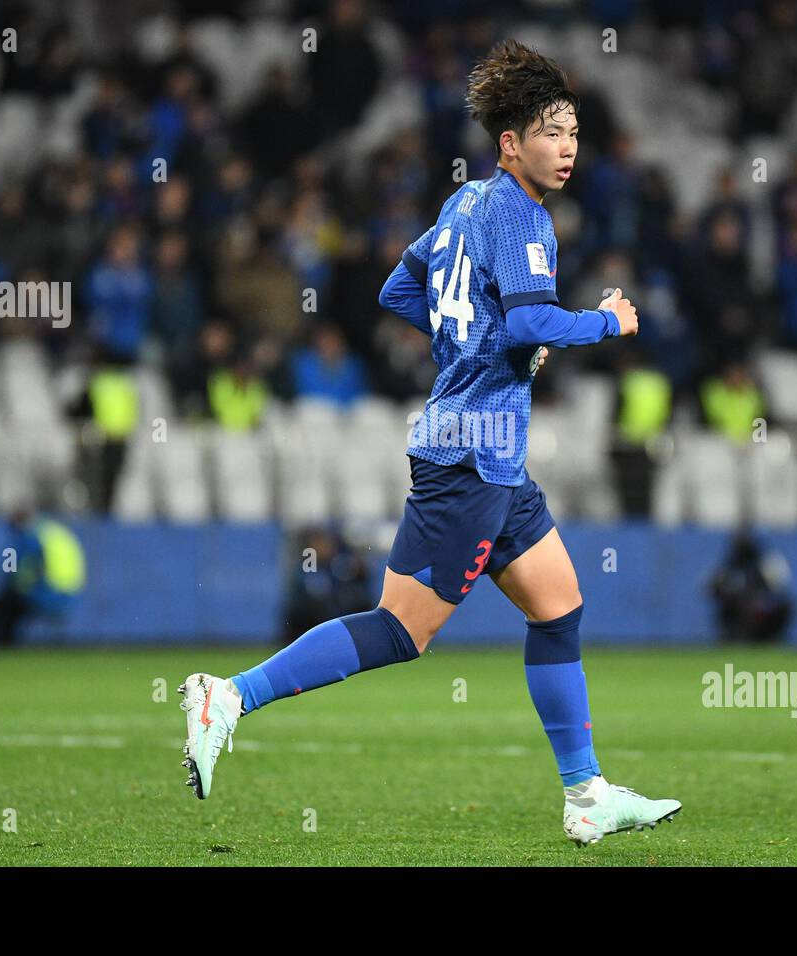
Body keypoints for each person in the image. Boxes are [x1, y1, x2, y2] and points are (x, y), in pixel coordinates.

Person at [177, 39, 681, 845]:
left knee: (559, 607)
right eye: (553, 133)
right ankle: (230, 696)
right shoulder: (522, 215)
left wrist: (466, 340)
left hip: (487, 453)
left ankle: (585, 794)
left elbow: (399, 287)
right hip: (473, 454)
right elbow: (525, 321)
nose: (569, 150)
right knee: (401, 631)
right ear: (510, 142)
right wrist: (604, 321)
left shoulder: (464, 205)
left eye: (575, 134)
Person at [0, 510, 85, 646]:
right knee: (12, 605)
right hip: (70, 592)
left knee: (4, 604)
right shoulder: (54, 532)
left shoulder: (29, 536)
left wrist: (9, 585)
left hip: (48, 591)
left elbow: (14, 567)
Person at [709, 531, 794, 644]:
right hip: (737, 614)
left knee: (785, 606)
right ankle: (733, 638)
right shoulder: (729, 568)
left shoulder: (765, 564)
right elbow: (713, 588)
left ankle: (770, 640)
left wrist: (761, 600)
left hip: (763, 613)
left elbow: (778, 589)